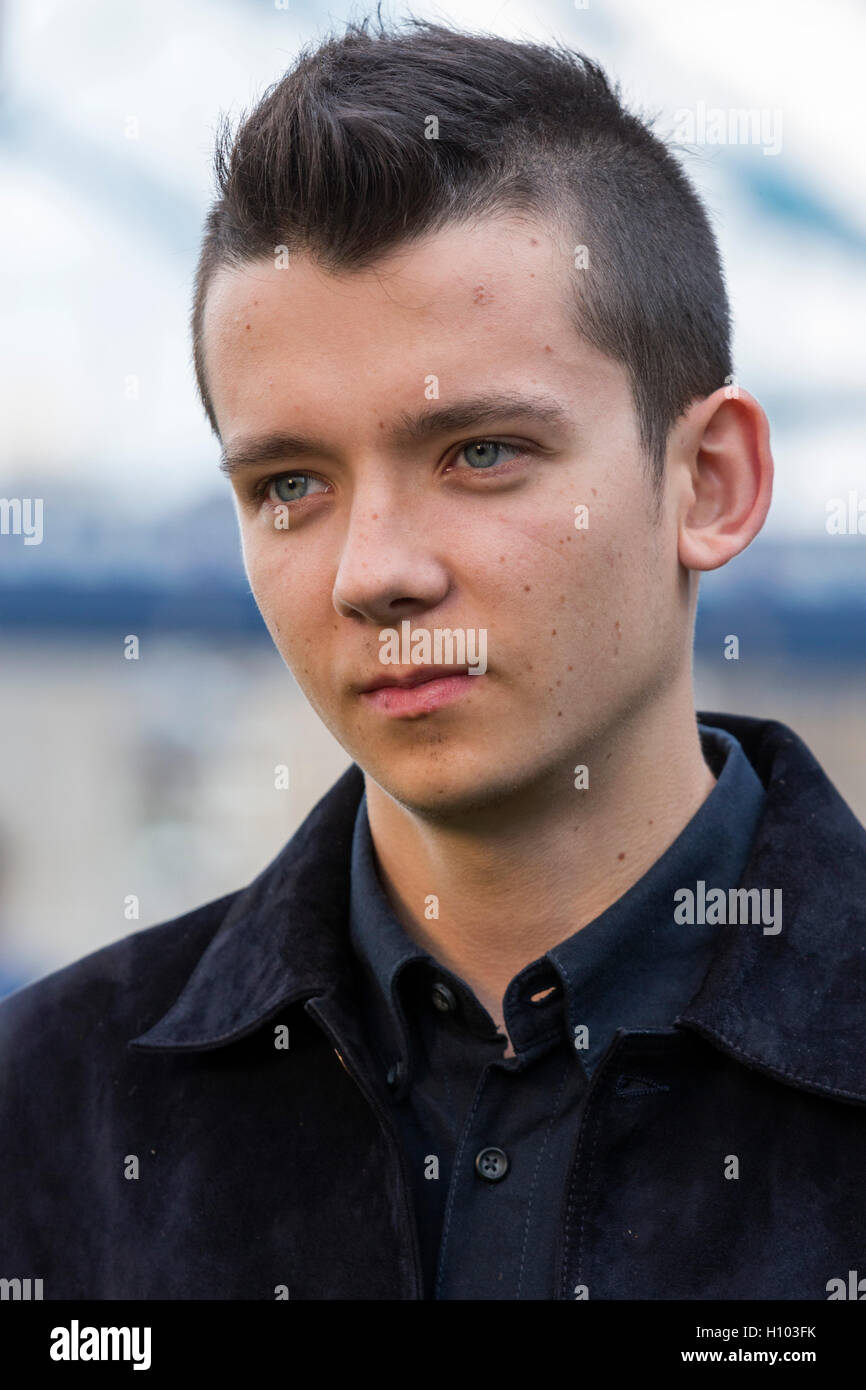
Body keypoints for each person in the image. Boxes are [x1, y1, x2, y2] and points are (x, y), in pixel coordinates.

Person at [2, 14, 864, 1302]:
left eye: (480, 453)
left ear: (711, 483)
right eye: (291, 484)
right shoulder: (48, 1104)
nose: (372, 572)